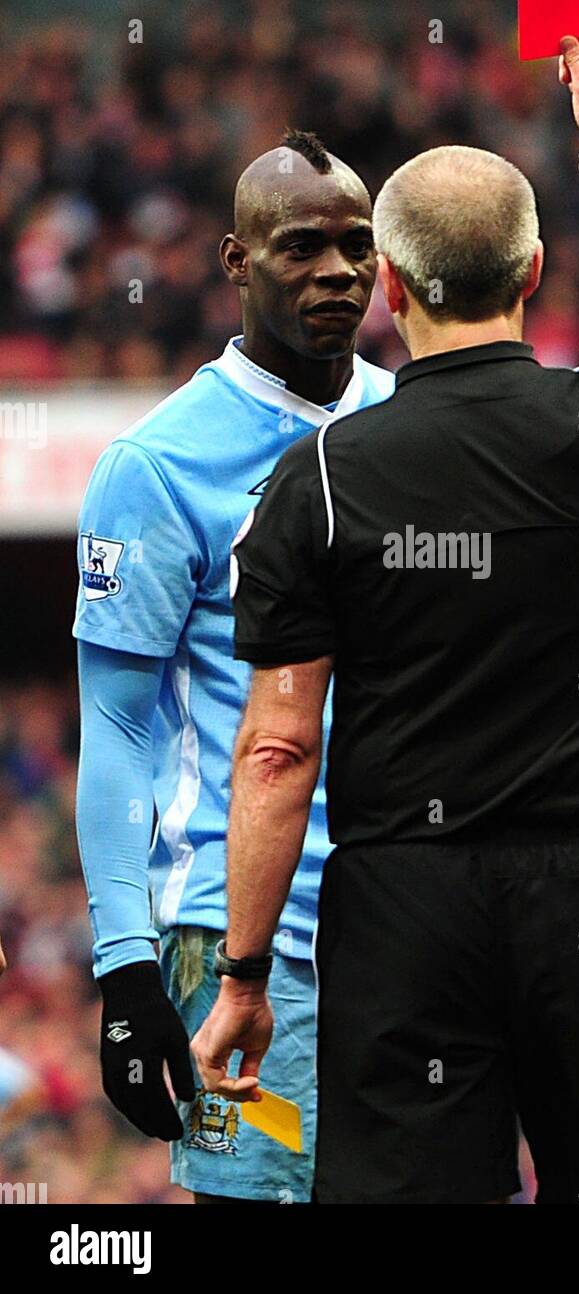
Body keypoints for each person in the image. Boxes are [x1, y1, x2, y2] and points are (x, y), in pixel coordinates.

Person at [192, 26, 579, 1204]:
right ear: (533, 271)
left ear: (391, 289)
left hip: (405, 915)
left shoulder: (320, 479)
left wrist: (243, 974)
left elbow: (276, 751)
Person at [74, 129, 393, 1203]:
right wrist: (126, 967)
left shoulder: (409, 424)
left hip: (413, 921)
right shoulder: (157, 465)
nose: (338, 270)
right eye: (302, 246)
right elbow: (117, 727)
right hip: (242, 941)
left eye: (357, 245)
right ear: (237, 261)